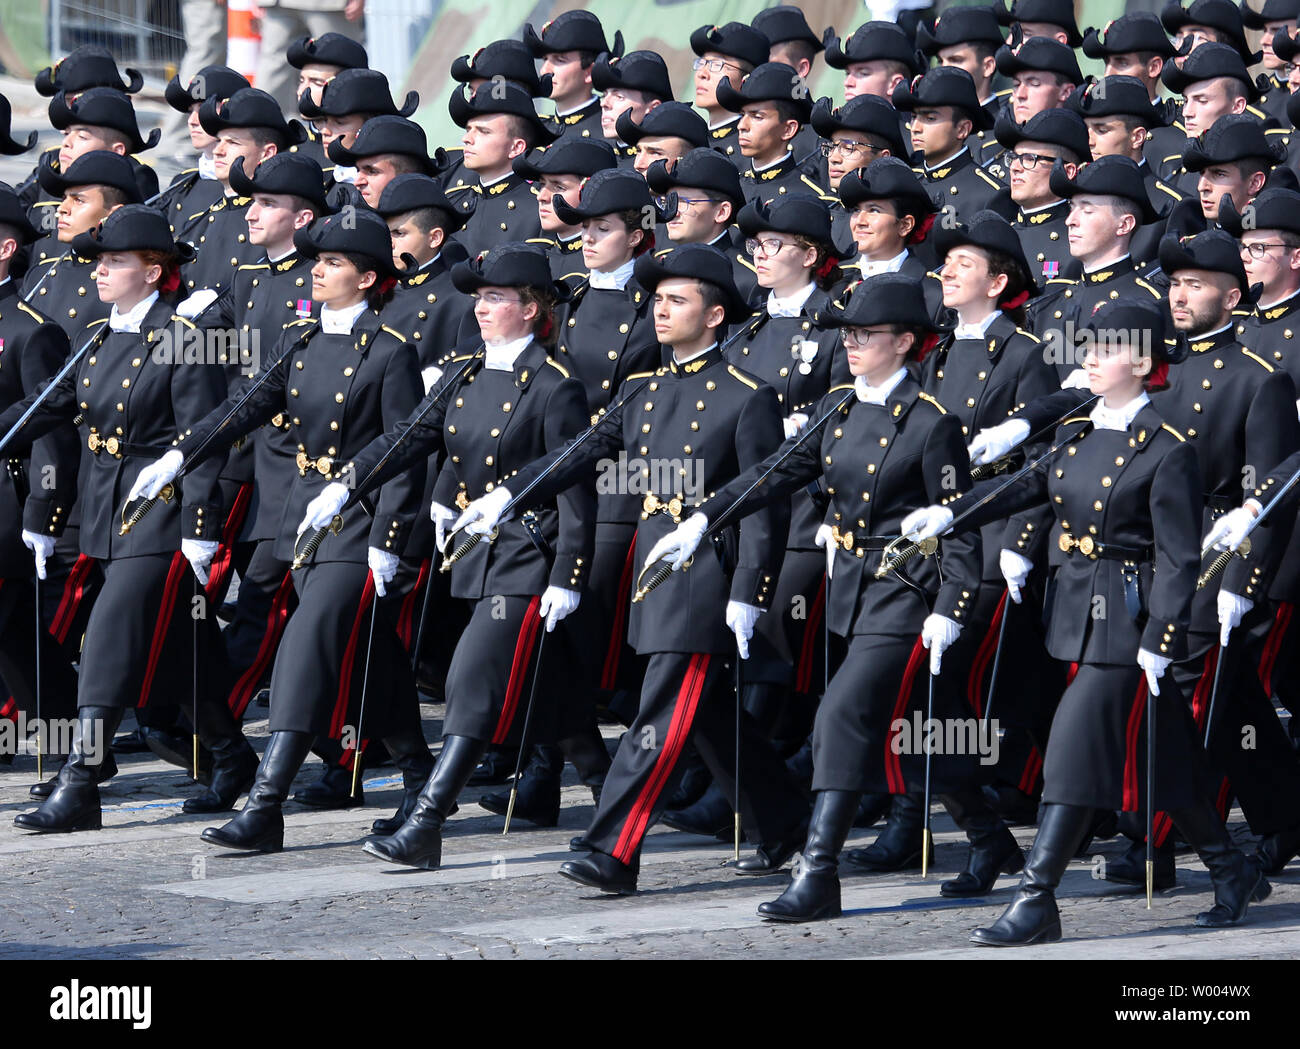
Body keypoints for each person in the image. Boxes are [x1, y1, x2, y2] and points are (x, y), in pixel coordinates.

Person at [902, 298, 1271, 944]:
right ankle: (1231, 867)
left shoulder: (1166, 449)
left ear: (1143, 361)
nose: (1090, 360)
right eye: (1088, 348)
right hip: (1077, 611)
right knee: (1166, 755)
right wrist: (951, 515)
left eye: (1106, 349)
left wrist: (1162, 638)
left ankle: (1037, 895)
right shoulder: (1077, 430)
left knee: (1070, 753)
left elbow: (1181, 560)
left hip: (1129, 627)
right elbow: (1026, 486)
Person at [454, 244, 808, 894]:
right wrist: (507, 495)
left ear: (716, 314)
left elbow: (764, 497)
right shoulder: (643, 391)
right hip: (654, 570)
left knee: (659, 716)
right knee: (706, 716)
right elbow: (578, 453)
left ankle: (612, 846)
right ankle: (786, 818)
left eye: (678, 300)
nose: (661, 310)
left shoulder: (746, 396)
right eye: (659, 299)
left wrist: (749, 589)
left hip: (705, 573)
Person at [641, 272, 992, 921]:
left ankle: (818, 870)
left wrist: (952, 604)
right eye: (849, 334)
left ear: (907, 342)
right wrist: (705, 517)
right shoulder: (840, 405)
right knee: (921, 734)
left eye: (867, 335)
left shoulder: (931, 422)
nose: (853, 345)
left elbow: (957, 521)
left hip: (908, 591)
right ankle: (990, 839)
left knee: (839, 719)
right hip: (854, 591)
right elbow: (776, 471)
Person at [129, 207, 434, 852]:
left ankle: (265, 806)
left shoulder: (388, 352)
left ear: (368, 277)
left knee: (302, 649)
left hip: (358, 520)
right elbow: (245, 407)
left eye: (333, 263)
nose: (317, 271)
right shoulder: (297, 340)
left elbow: (406, 449)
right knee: (373, 663)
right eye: (316, 260)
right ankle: (421, 778)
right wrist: (183, 453)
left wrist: (389, 538)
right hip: (302, 518)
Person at [291, 242, 595, 865]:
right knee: (558, 700)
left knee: (469, 682)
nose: (482, 308)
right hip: (474, 552)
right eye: (480, 298)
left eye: (497, 298)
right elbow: (408, 438)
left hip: (528, 555)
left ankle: (426, 823)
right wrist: (348, 481)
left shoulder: (556, 385)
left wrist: (569, 572)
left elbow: (572, 481)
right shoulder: (463, 371)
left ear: (533, 309)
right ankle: (618, 795)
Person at [0, 205, 258, 830]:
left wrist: (201, 527)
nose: (99, 273)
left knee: (110, 638)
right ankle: (230, 756)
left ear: (155, 271)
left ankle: (81, 778)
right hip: (105, 511)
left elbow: (203, 438)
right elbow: (46, 408)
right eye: (98, 262)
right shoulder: (97, 333)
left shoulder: (183, 337)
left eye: (116, 262)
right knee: (181, 649)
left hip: (162, 514)